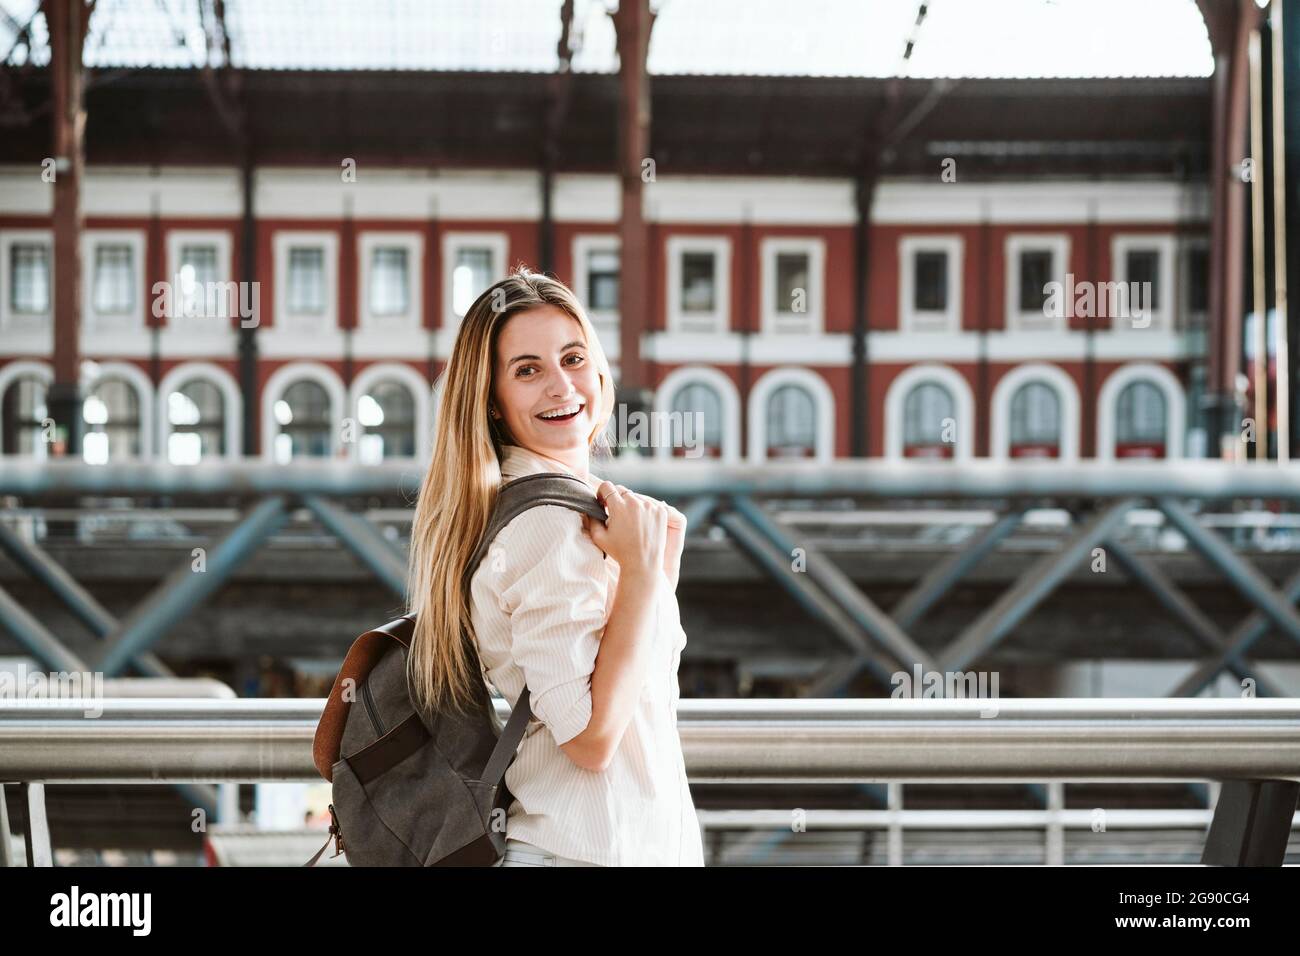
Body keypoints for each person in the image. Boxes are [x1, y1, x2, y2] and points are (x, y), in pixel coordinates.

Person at [405, 266, 705, 867]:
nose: (561, 386)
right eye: (527, 370)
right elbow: (591, 740)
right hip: (586, 852)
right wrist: (643, 579)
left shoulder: (572, 510)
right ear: (491, 402)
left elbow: (636, 706)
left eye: (572, 357)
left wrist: (652, 573)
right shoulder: (544, 524)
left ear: (598, 367)